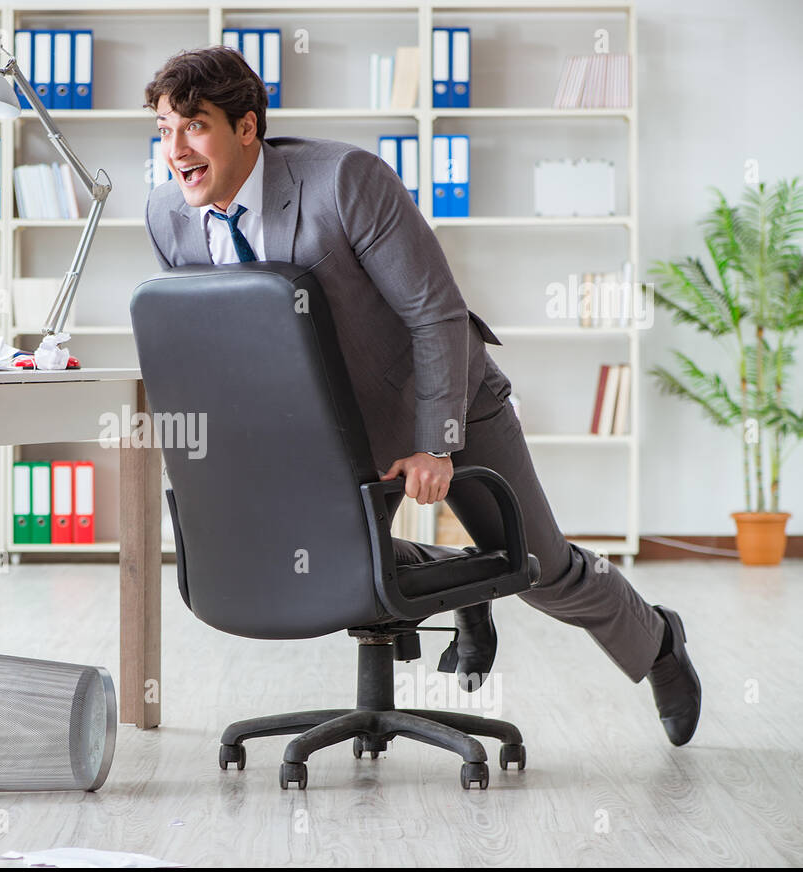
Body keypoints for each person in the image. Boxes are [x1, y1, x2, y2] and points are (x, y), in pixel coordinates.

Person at [142, 46, 700, 745]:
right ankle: (463, 592)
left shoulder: (345, 181)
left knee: (535, 565)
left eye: (193, 126)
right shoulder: (167, 215)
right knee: (321, 556)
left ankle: (656, 643)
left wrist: (436, 443)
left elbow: (435, 311)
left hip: (437, 390)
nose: (175, 149)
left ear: (247, 128)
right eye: (163, 130)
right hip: (322, 418)